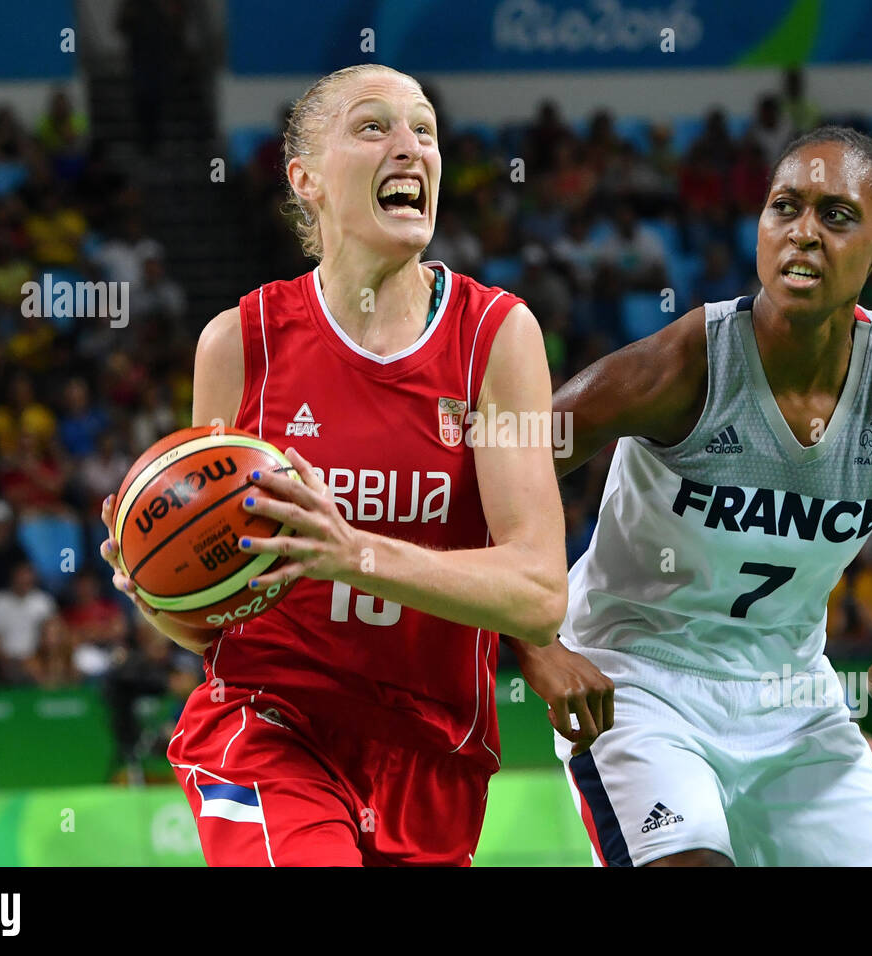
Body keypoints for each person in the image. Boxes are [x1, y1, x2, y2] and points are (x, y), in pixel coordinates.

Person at [99, 64, 570, 866]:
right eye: (374, 126)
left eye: (424, 129)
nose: (411, 148)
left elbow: (537, 590)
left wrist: (351, 551)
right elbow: (215, 617)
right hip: (270, 723)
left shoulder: (495, 336)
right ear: (306, 178)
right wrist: (156, 590)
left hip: (431, 752)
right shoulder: (240, 344)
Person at [516, 126, 872, 866]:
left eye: (836, 215)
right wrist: (536, 646)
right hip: (637, 684)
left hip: (794, 700)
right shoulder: (685, 364)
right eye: (784, 207)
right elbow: (492, 476)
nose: (803, 232)